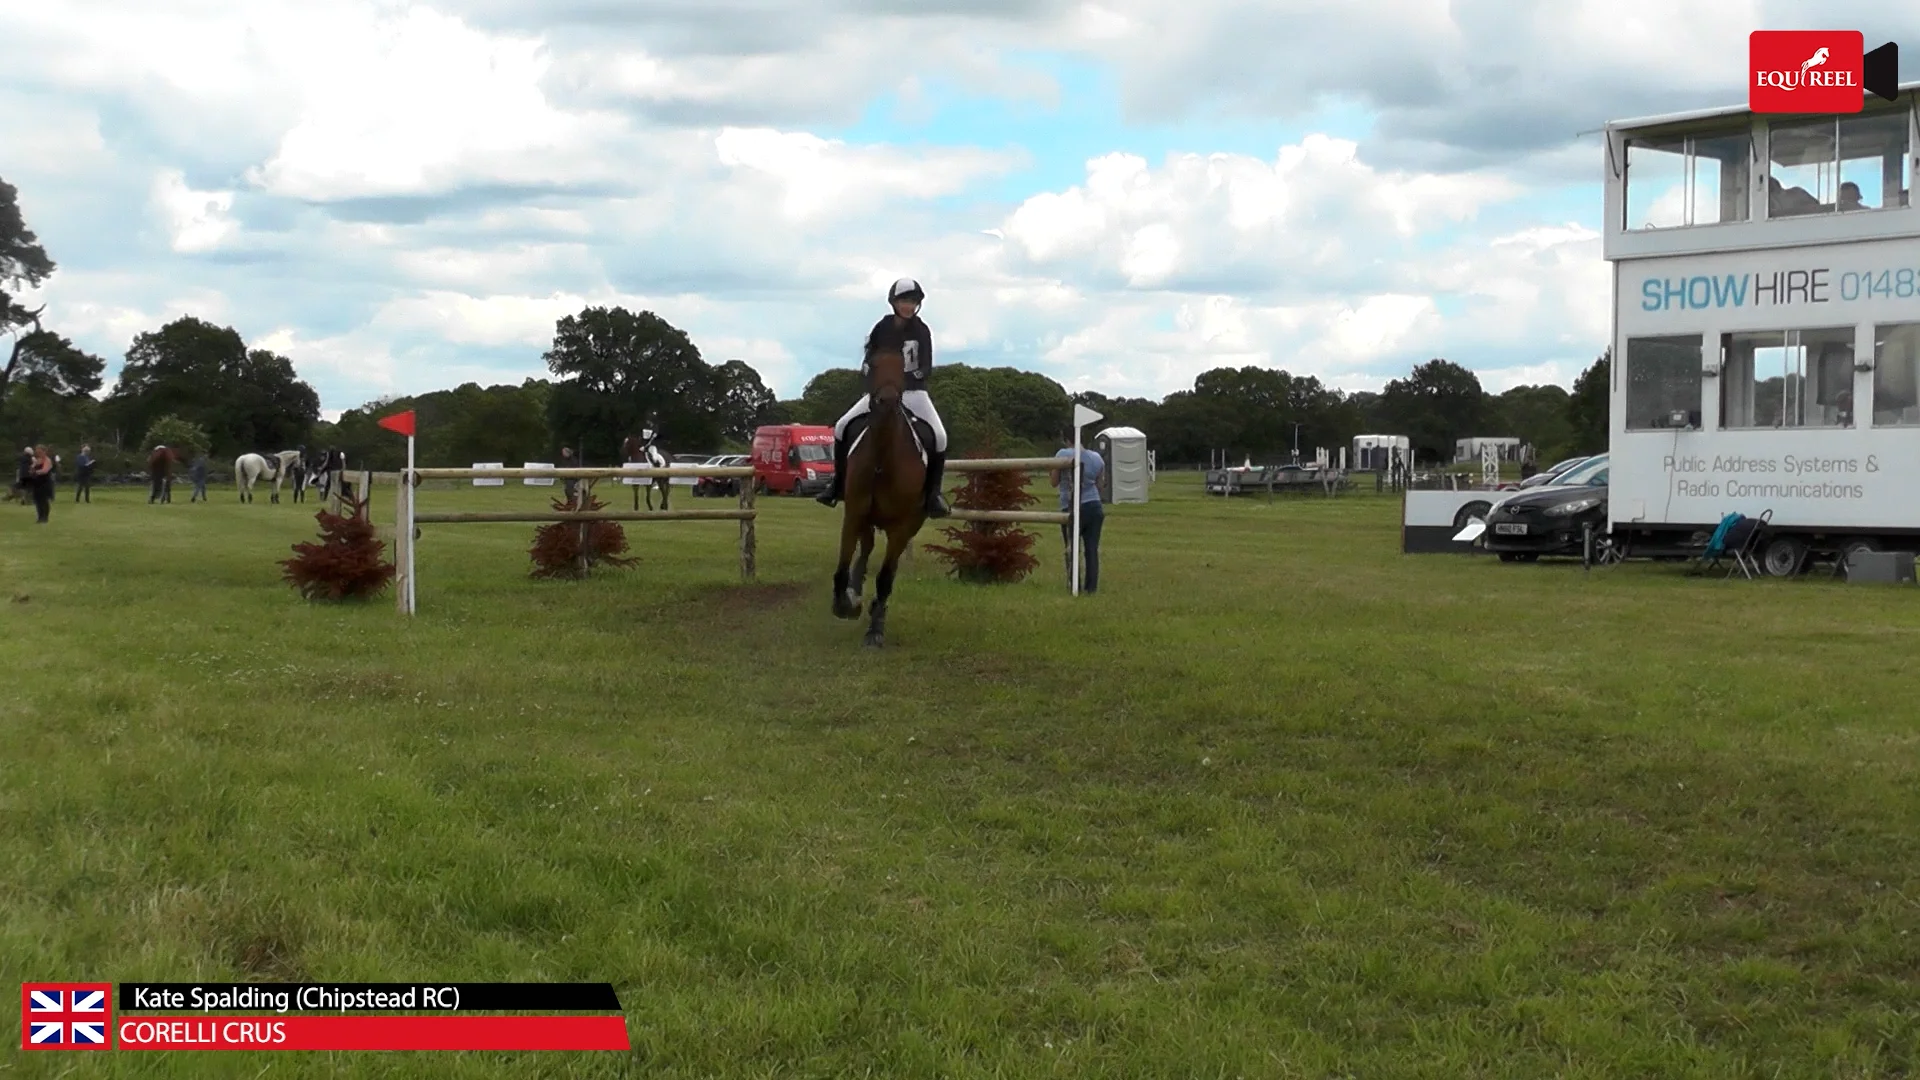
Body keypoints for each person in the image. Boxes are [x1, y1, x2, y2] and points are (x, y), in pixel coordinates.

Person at [815, 277, 950, 517]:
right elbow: (868, 360)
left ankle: (933, 495)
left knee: (940, 437)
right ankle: (837, 484)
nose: (908, 306)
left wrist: (904, 380)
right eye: (903, 301)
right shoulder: (882, 327)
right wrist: (874, 381)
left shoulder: (921, 330)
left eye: (912, 301)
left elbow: (926, 366)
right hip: (881, 395)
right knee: (841, 426)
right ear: (894, 302)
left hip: (913, 393)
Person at [1048, 430, 1105, 595]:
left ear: (1066, 439)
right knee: (1091, 549)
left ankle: (1074, 584)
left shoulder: (1063, 453)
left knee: (1071, 548)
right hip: (1094, 505)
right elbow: (1100, 485)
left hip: (1071, 506)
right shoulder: (1097, 457)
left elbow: (1054, 482)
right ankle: (1091, 588)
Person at [27, 445, 55, 523]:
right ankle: (39, 517)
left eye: (40, 452)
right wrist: (32, 469)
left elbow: (45, 470)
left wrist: (36, 472)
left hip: (45, 483)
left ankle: (45, 517)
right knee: (37, 501)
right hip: (37, 483)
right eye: (37, 452)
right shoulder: (37, 460)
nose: (38, 453)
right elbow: (31, 468)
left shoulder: (47, 460)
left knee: (44, 501)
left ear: (44, 452)